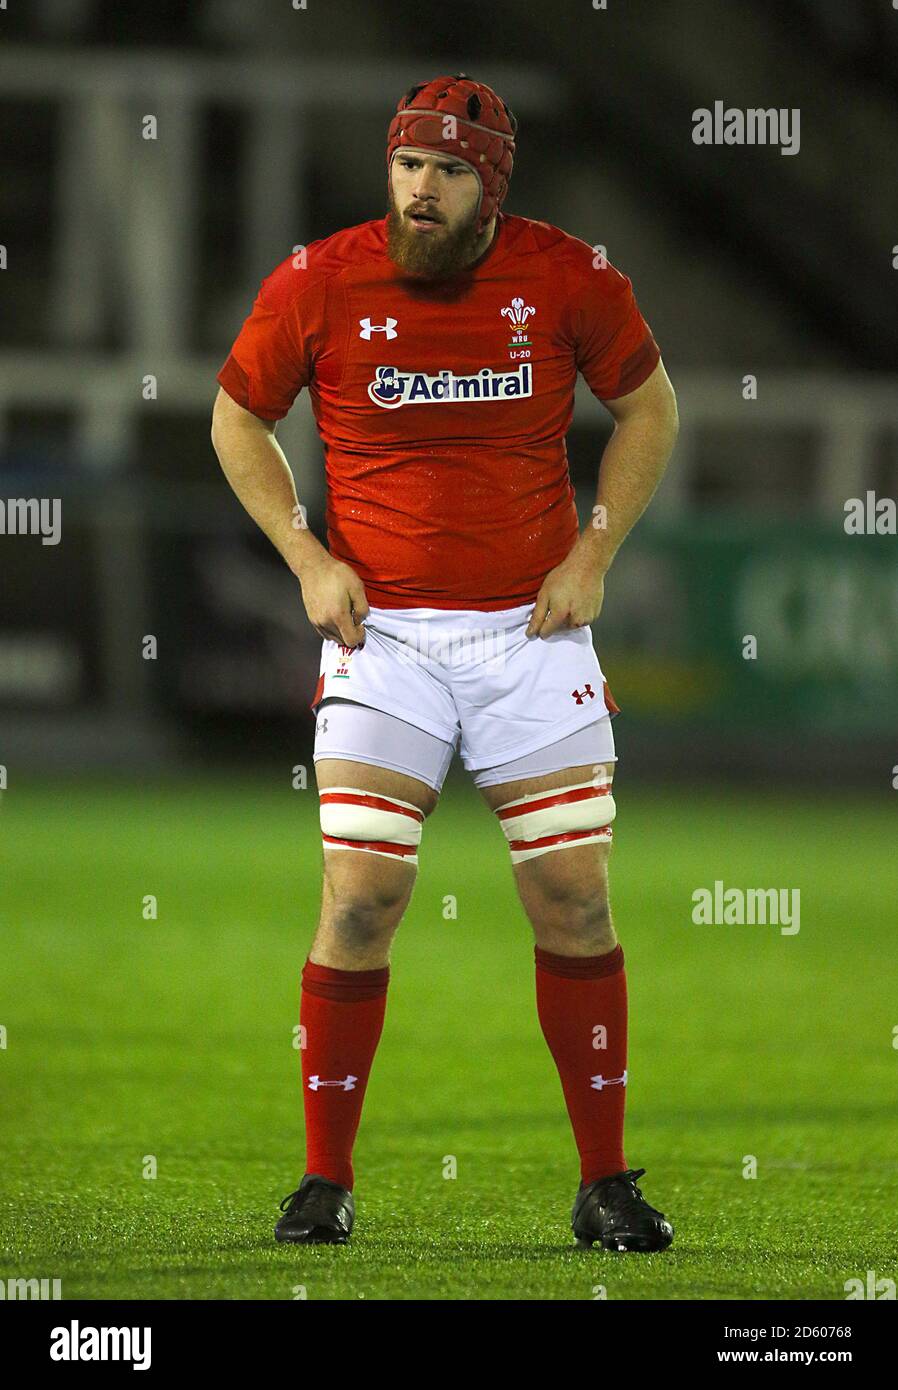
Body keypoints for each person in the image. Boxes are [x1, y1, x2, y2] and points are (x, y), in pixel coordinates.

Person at [211, 73, 679, 1252]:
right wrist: (308, 559)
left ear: (492, 187)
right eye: (408, 165)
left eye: (450, 170)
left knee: (572, 896)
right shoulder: (317, 280)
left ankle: (604, 1182)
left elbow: (650, 409)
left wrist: (594, 551)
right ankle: (324, 1180)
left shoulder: (569, 276)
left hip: (531, 631)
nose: (421, 190)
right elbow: (234, 416)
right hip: (387, 642)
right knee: (361, 901)